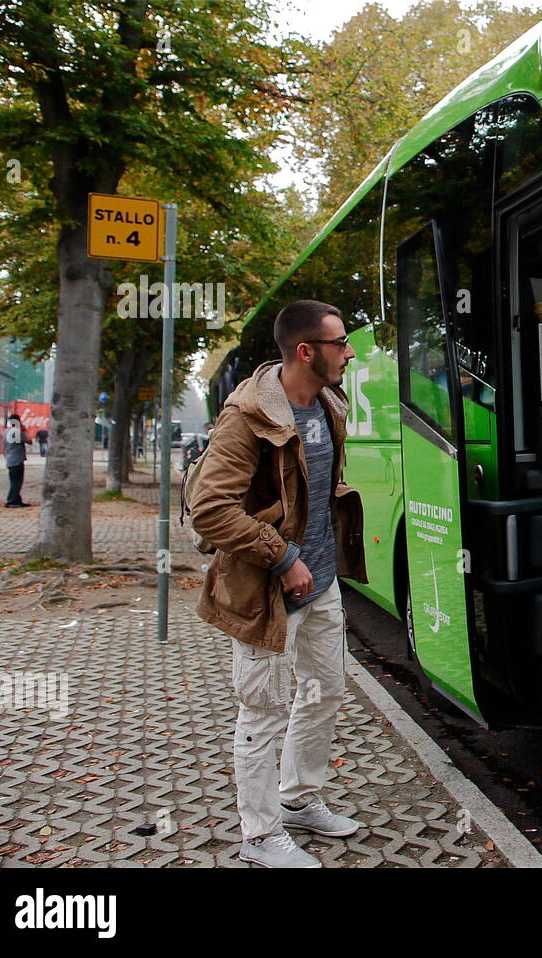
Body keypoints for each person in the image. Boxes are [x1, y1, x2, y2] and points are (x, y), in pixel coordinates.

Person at [189, 299, 367, 869]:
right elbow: (209, 508)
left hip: (322, 586)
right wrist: (284, 556)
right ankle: (260, 835)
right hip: (267, 590)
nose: (350, 352)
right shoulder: (248, 417)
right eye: (341, 343)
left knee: (326, 691)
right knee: (263, 707)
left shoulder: (329, 405)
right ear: (306, 350)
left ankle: (299, 799)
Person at [3, 413, 30, 507]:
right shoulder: (18, 432)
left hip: (9, 458)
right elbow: (29, 441)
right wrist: (24, 430)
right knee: (17, 481)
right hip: (17, 459)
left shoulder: (6, 431)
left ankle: (17, 499)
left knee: (13, 480)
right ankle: (12, 500)